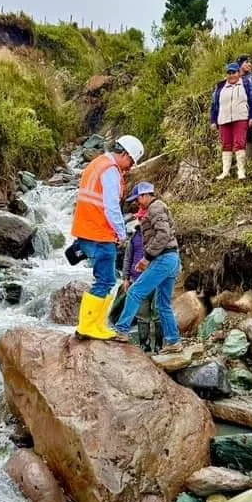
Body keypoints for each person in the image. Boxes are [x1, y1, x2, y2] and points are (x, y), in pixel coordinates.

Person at [71, 134, 145, 340]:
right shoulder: (111, 171)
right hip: (99, 233)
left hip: (86, 230)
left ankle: (96, 325)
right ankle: (87, 326)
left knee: (106, 279)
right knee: (104, 281)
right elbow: (111, 207)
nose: (130, 167)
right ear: (125, 154)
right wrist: (122, 233)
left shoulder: (97, 163)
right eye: (131, 161)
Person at [112, 182, 182, 352]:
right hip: (172, 259)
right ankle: (174, 342)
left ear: (145, 196)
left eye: (138, 199)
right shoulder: (158, 208)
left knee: (135, 292)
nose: (137, 202)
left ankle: (121, 330)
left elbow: (163, 234)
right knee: (162, 305)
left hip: (163, 258)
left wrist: (147, 257)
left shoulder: (155, 208)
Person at [120, 182, 162, 352]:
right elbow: (128, 258)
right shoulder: (135, 236)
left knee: (158, 313)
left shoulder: (156, 234)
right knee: (142, 315)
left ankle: (159, 346)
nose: (139, 219)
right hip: (137, 279)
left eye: (141, 217)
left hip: (156, 279)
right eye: (139, 218)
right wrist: (125, 278)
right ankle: (145, 346)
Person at [210, 62, 252, 180]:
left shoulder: (246, 84)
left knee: (239, 143)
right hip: (224, 118)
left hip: (241, 117)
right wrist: (213, 120)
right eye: (229, 73)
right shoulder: (220, 87)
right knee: (226, 144)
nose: (231, 75)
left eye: (234, 72)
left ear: (239, 73)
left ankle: (241, 171)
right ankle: (225, 171)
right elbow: (215, 105)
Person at [237, 54, 252, 159]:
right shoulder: (234, 77)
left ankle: (250, 160)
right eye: (246, 62)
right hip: (239, 111)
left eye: (250, 62)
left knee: (250, 136)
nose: (249, 64)